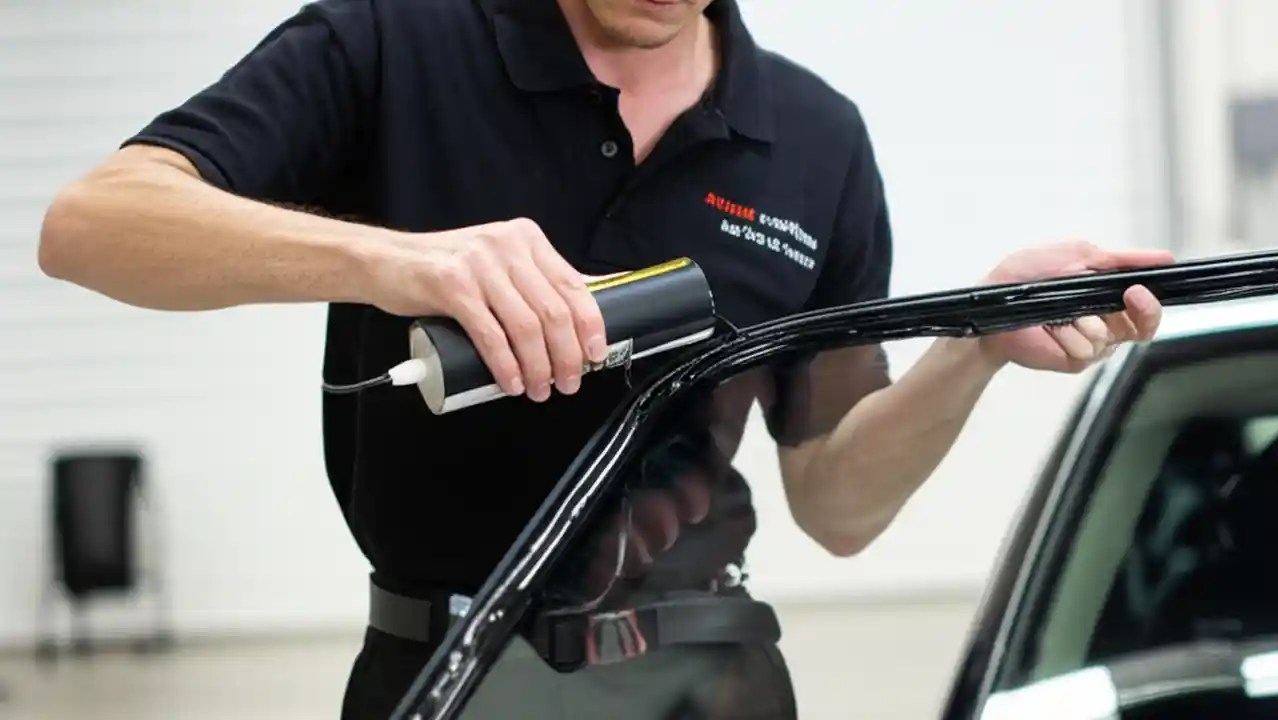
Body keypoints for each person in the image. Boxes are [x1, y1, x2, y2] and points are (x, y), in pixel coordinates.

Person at [36, 0, 1171, 716]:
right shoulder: (394, 39)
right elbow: (92, 225)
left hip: (712, 677)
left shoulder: (813, 139)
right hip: (447, 673)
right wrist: (394, 262)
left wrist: (967, 344)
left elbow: (834, 500)